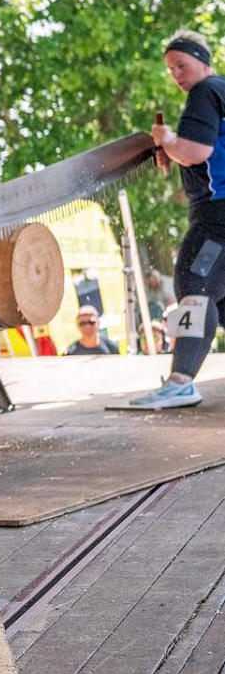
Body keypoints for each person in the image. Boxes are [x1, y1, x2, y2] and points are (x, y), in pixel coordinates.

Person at [127, 30, 225, 409]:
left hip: (217, 214)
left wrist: (166, 139)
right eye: (170, 70)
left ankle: (181, 382)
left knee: (194, 283)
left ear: (203, 60)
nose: (177, 75)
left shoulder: (207, 90)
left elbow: (196, 151)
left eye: (182, 65)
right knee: (220, 298)